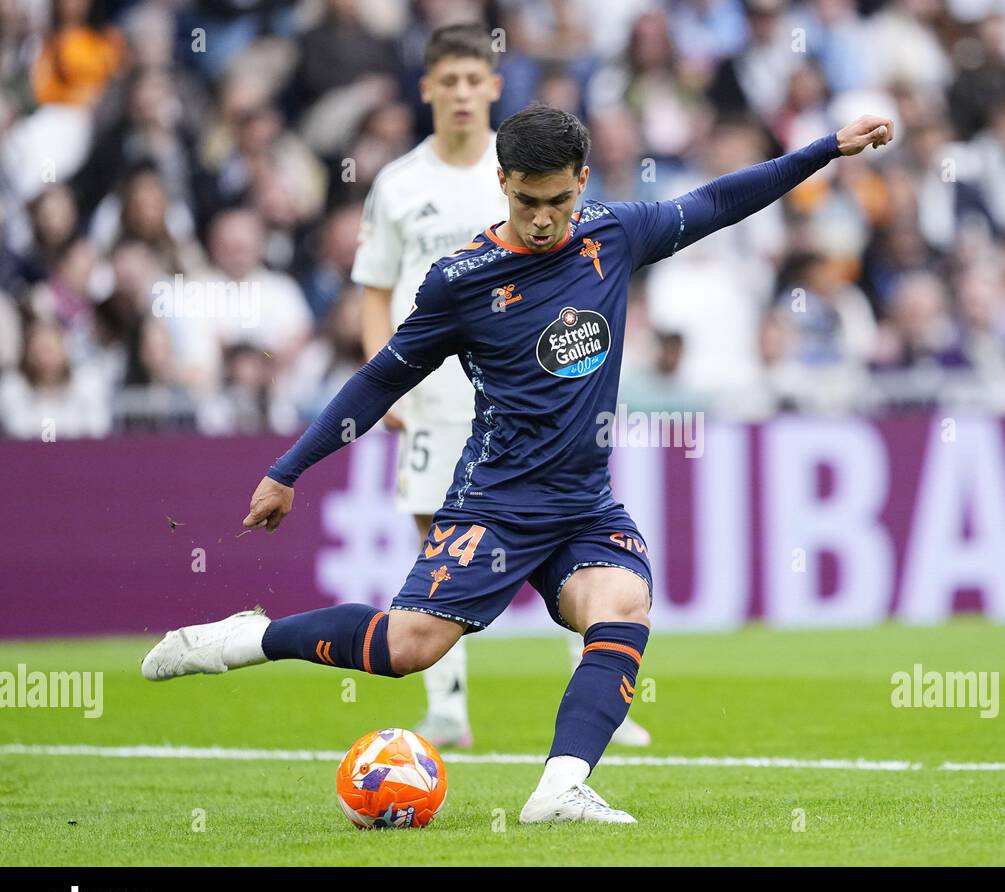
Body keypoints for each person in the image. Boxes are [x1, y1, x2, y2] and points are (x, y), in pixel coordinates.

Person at [141, 103, 894, 824]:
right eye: (529, 200)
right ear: (502, 183)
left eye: (559, 200)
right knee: (408, 650)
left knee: (623, 607)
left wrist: (826, 148)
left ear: (584, 181)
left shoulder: (615, 235)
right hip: (494, 504)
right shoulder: (461, 281)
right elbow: (381, 378)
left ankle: (560, 789)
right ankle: (248, 638)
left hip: (583, 504)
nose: (543, 219)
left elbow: (722, 198)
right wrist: (288, 470)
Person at [350, 23, 651, 749]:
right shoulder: (398, 184)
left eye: (471, 79)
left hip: (530, 393)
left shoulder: (529, 158)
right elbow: (374, 290)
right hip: (430, 391)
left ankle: (596, 687)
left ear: (492, 85)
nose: (459, 92)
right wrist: (384, 382)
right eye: (445, 80)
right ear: (426, 89)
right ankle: (447, 704)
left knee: (566, 541)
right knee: (436, 539)